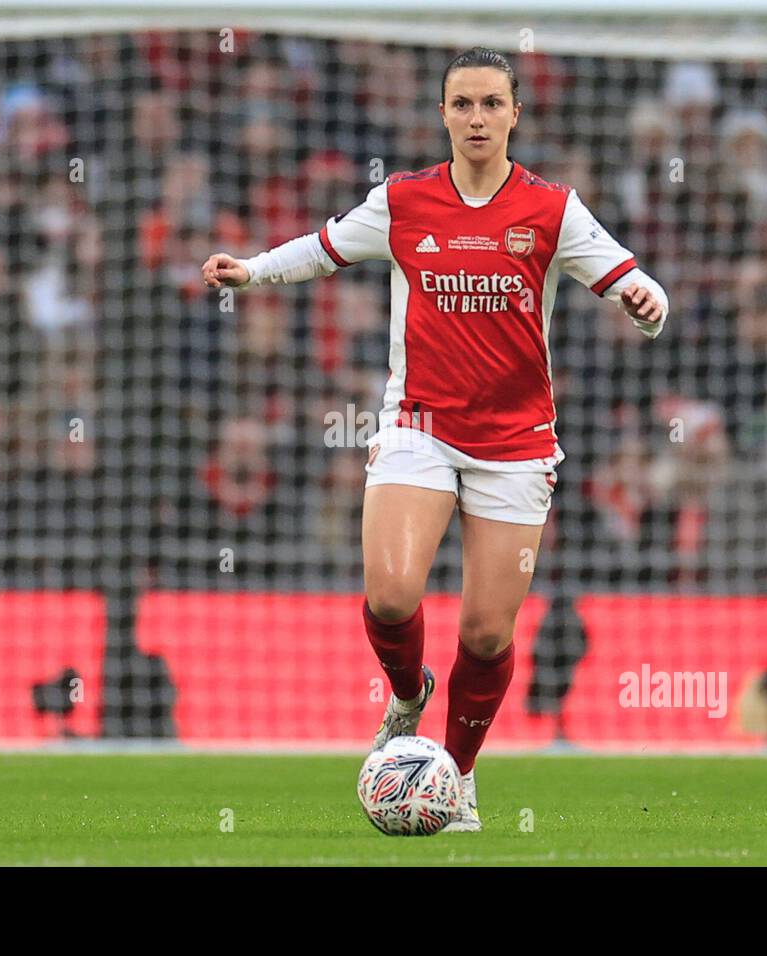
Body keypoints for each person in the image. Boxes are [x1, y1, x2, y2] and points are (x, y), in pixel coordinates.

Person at [202, 47, 668, 831]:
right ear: (443, 113)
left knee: (486, 633)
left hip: (517, 444)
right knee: (389, 593)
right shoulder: (404, 199)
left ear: (516, 113)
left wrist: (645, 300)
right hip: (419, 424)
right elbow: (325, 247)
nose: (478, 118)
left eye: (492, 104)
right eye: (463, 104)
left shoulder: (552, 209)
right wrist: (251, 270)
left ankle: (456, 776)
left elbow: (625, 276)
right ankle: (409, 693)